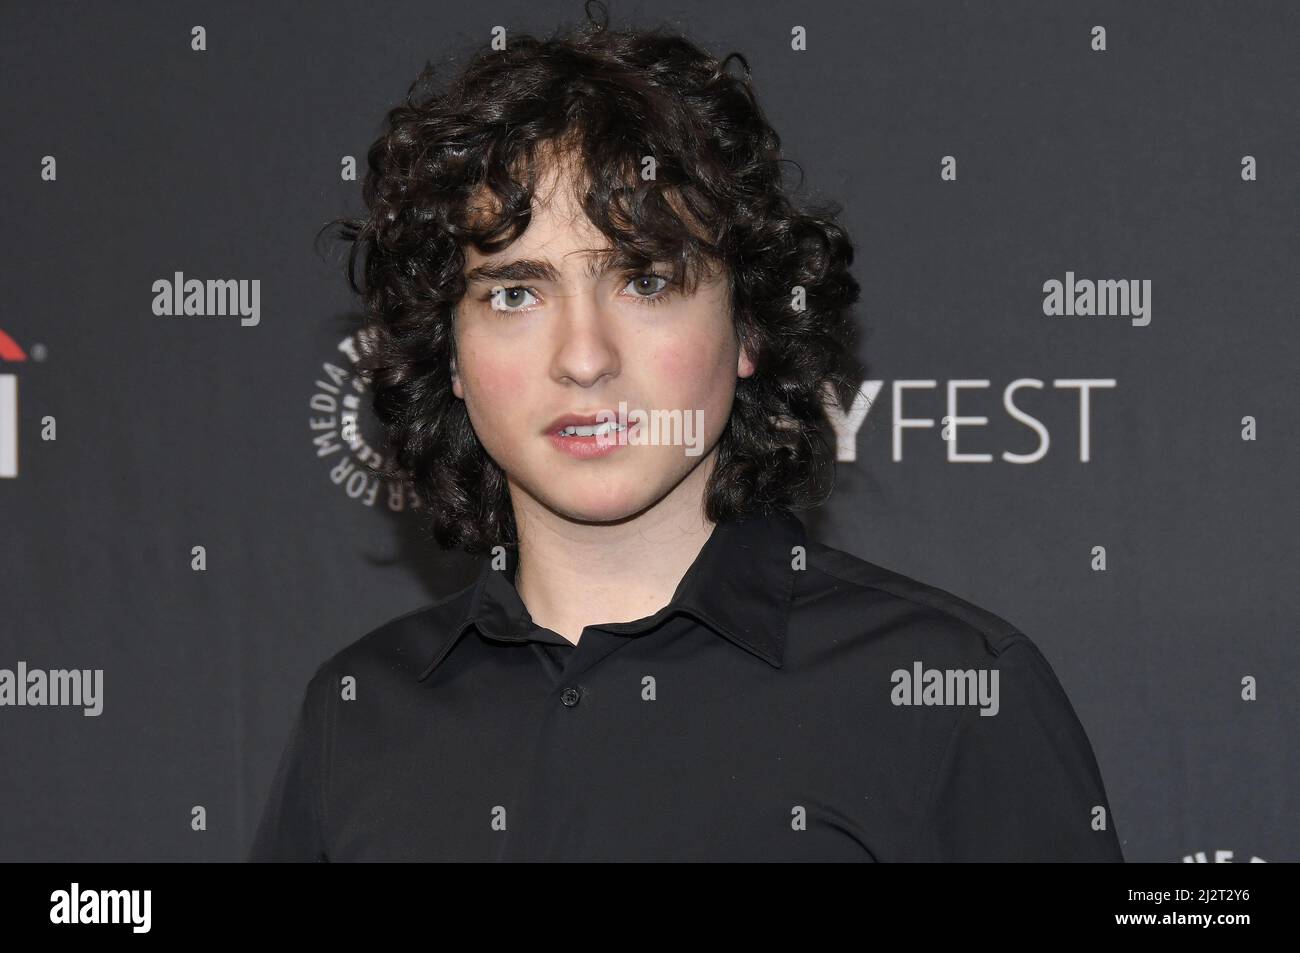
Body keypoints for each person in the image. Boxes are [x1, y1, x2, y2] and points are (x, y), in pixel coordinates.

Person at [249, 2, 1124, 862]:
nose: (584, 357)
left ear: (747, 327)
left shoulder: (955, 693)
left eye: (645, 280)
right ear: (451, 353)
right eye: (515, 293)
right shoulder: (358, 715)